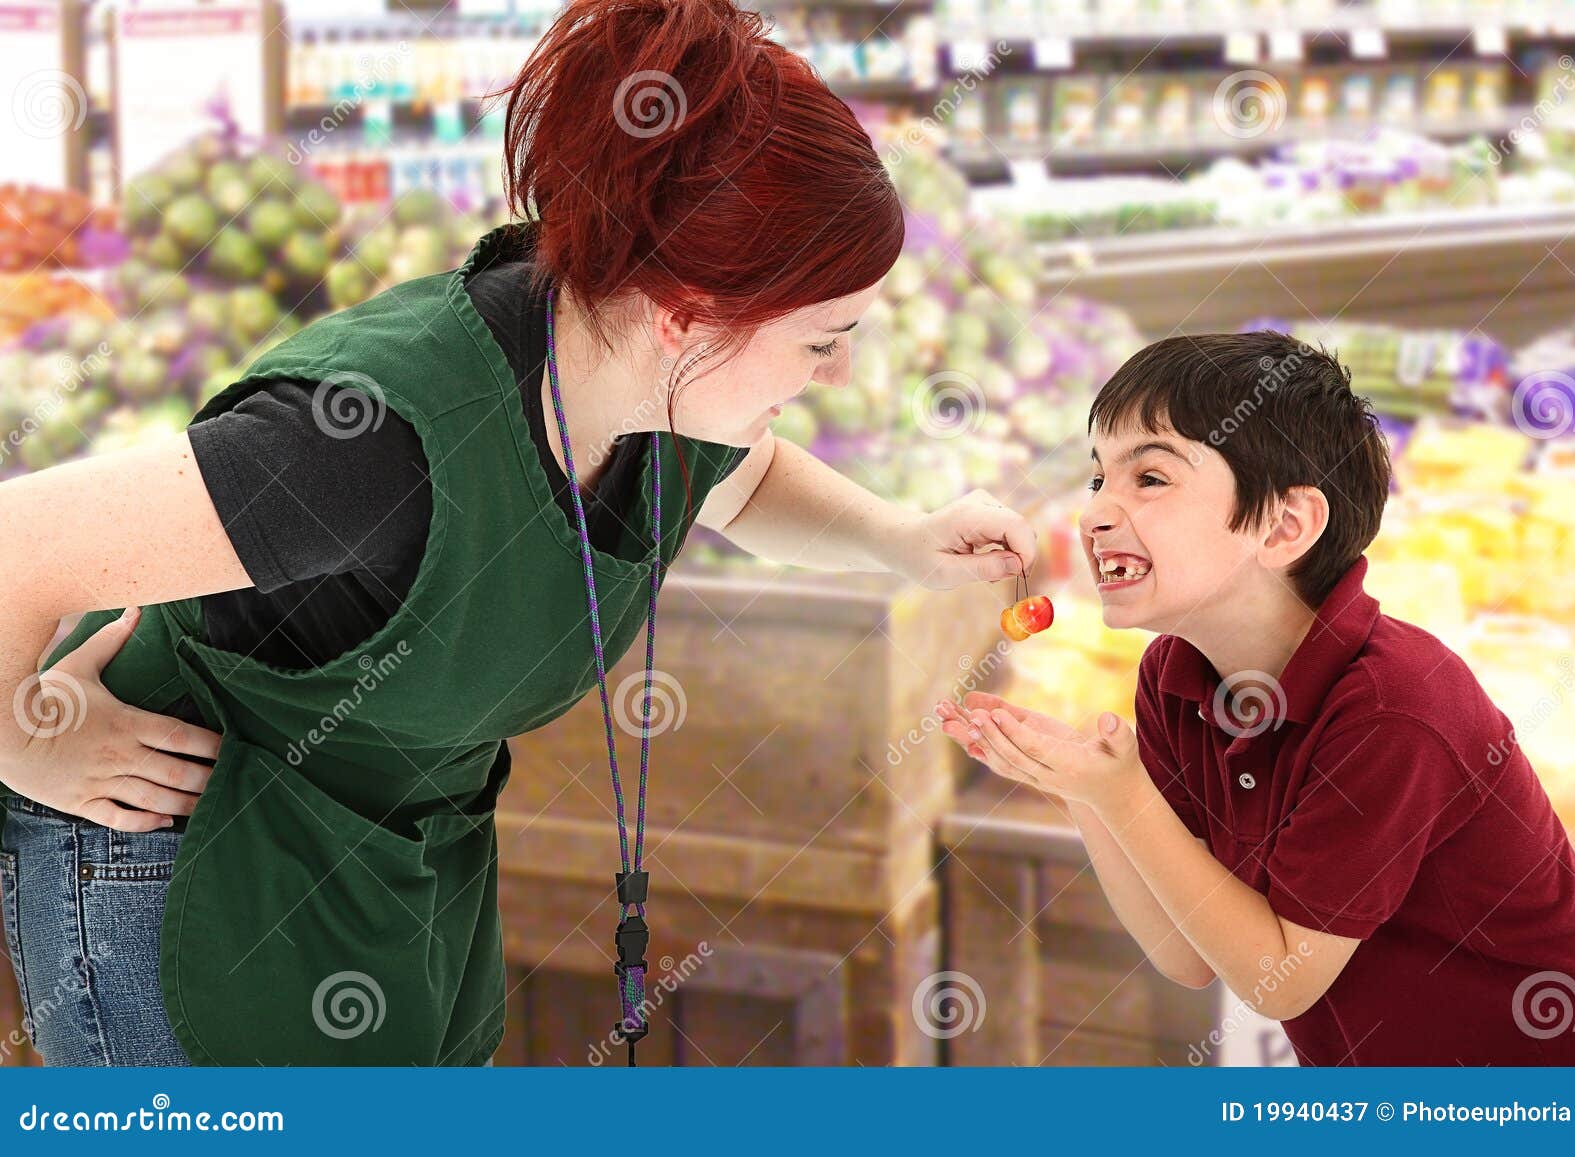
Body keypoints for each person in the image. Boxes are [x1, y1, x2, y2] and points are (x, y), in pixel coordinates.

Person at [0, 0, 1035, 1066]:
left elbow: (740, 477)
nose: (840, 374)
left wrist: (901, 539)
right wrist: (24, 735)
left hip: (384, 863)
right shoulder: (369, 440)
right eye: (824, 339)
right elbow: (14, 541)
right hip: (188, 865)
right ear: (686, 317)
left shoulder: (639, 384)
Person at [937, 330, 1575, 1065]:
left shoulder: (1396, 705)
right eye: (1099, 478)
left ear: (1286, 525)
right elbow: (1188, 954)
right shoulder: (1173, 677)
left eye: (1148, 479)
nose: (1093, 513)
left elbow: (1278, 981)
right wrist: (1084, 791)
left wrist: (1123, 795)